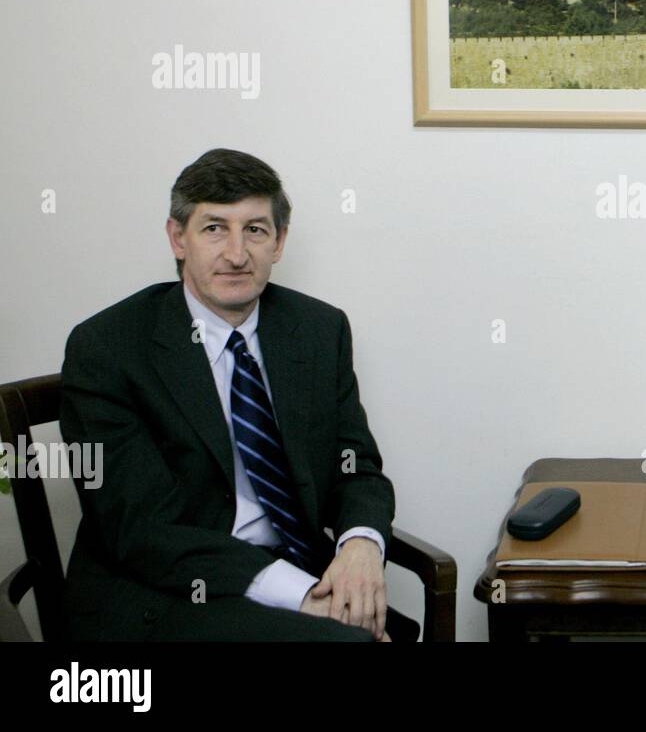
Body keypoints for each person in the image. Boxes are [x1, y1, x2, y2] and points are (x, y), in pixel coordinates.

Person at [60, 148, 414, 641]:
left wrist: (360, 545)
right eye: (213, 228)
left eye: (254, 229)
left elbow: (355, 468)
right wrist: (304, 596)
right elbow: (139, 529)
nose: (236, 253)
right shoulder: (109, 347)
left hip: (297, 568)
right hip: (166, 591)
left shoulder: (317, 330)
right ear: (177, 238)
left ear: (279, 241)